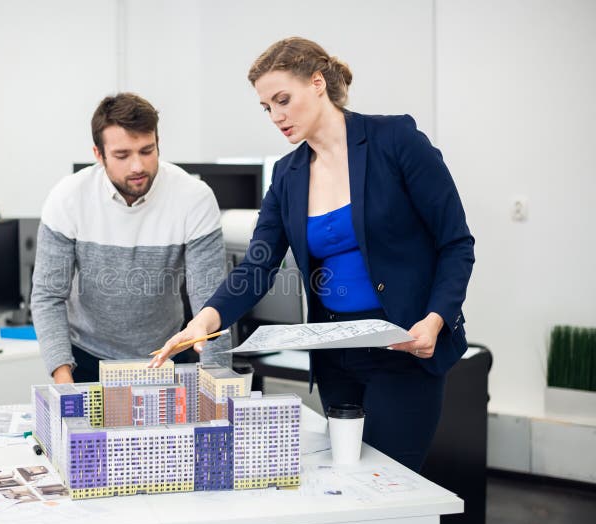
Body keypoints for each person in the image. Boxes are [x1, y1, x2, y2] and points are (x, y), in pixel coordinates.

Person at [152, 37, 475, 472]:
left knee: (390, 485)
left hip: (404, 348)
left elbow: (455, 242)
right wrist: (202, 322)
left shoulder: (394, 140)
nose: (276, 116)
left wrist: (434, 319)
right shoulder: (288, 175)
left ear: (318, 83)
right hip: (335, 353)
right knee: (346, 479)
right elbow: (256, 267)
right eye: (267, 107)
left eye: (283, 100)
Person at [32, 92, 229, 384]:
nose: (137, 166)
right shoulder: (68, 198)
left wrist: (218, 382)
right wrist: (64, 383)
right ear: (99, 155)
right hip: (86, 359)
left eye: (147, 151)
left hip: (167, 356)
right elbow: (48, 297)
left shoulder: (193, 197)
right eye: (122, 155)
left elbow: (212, 302)